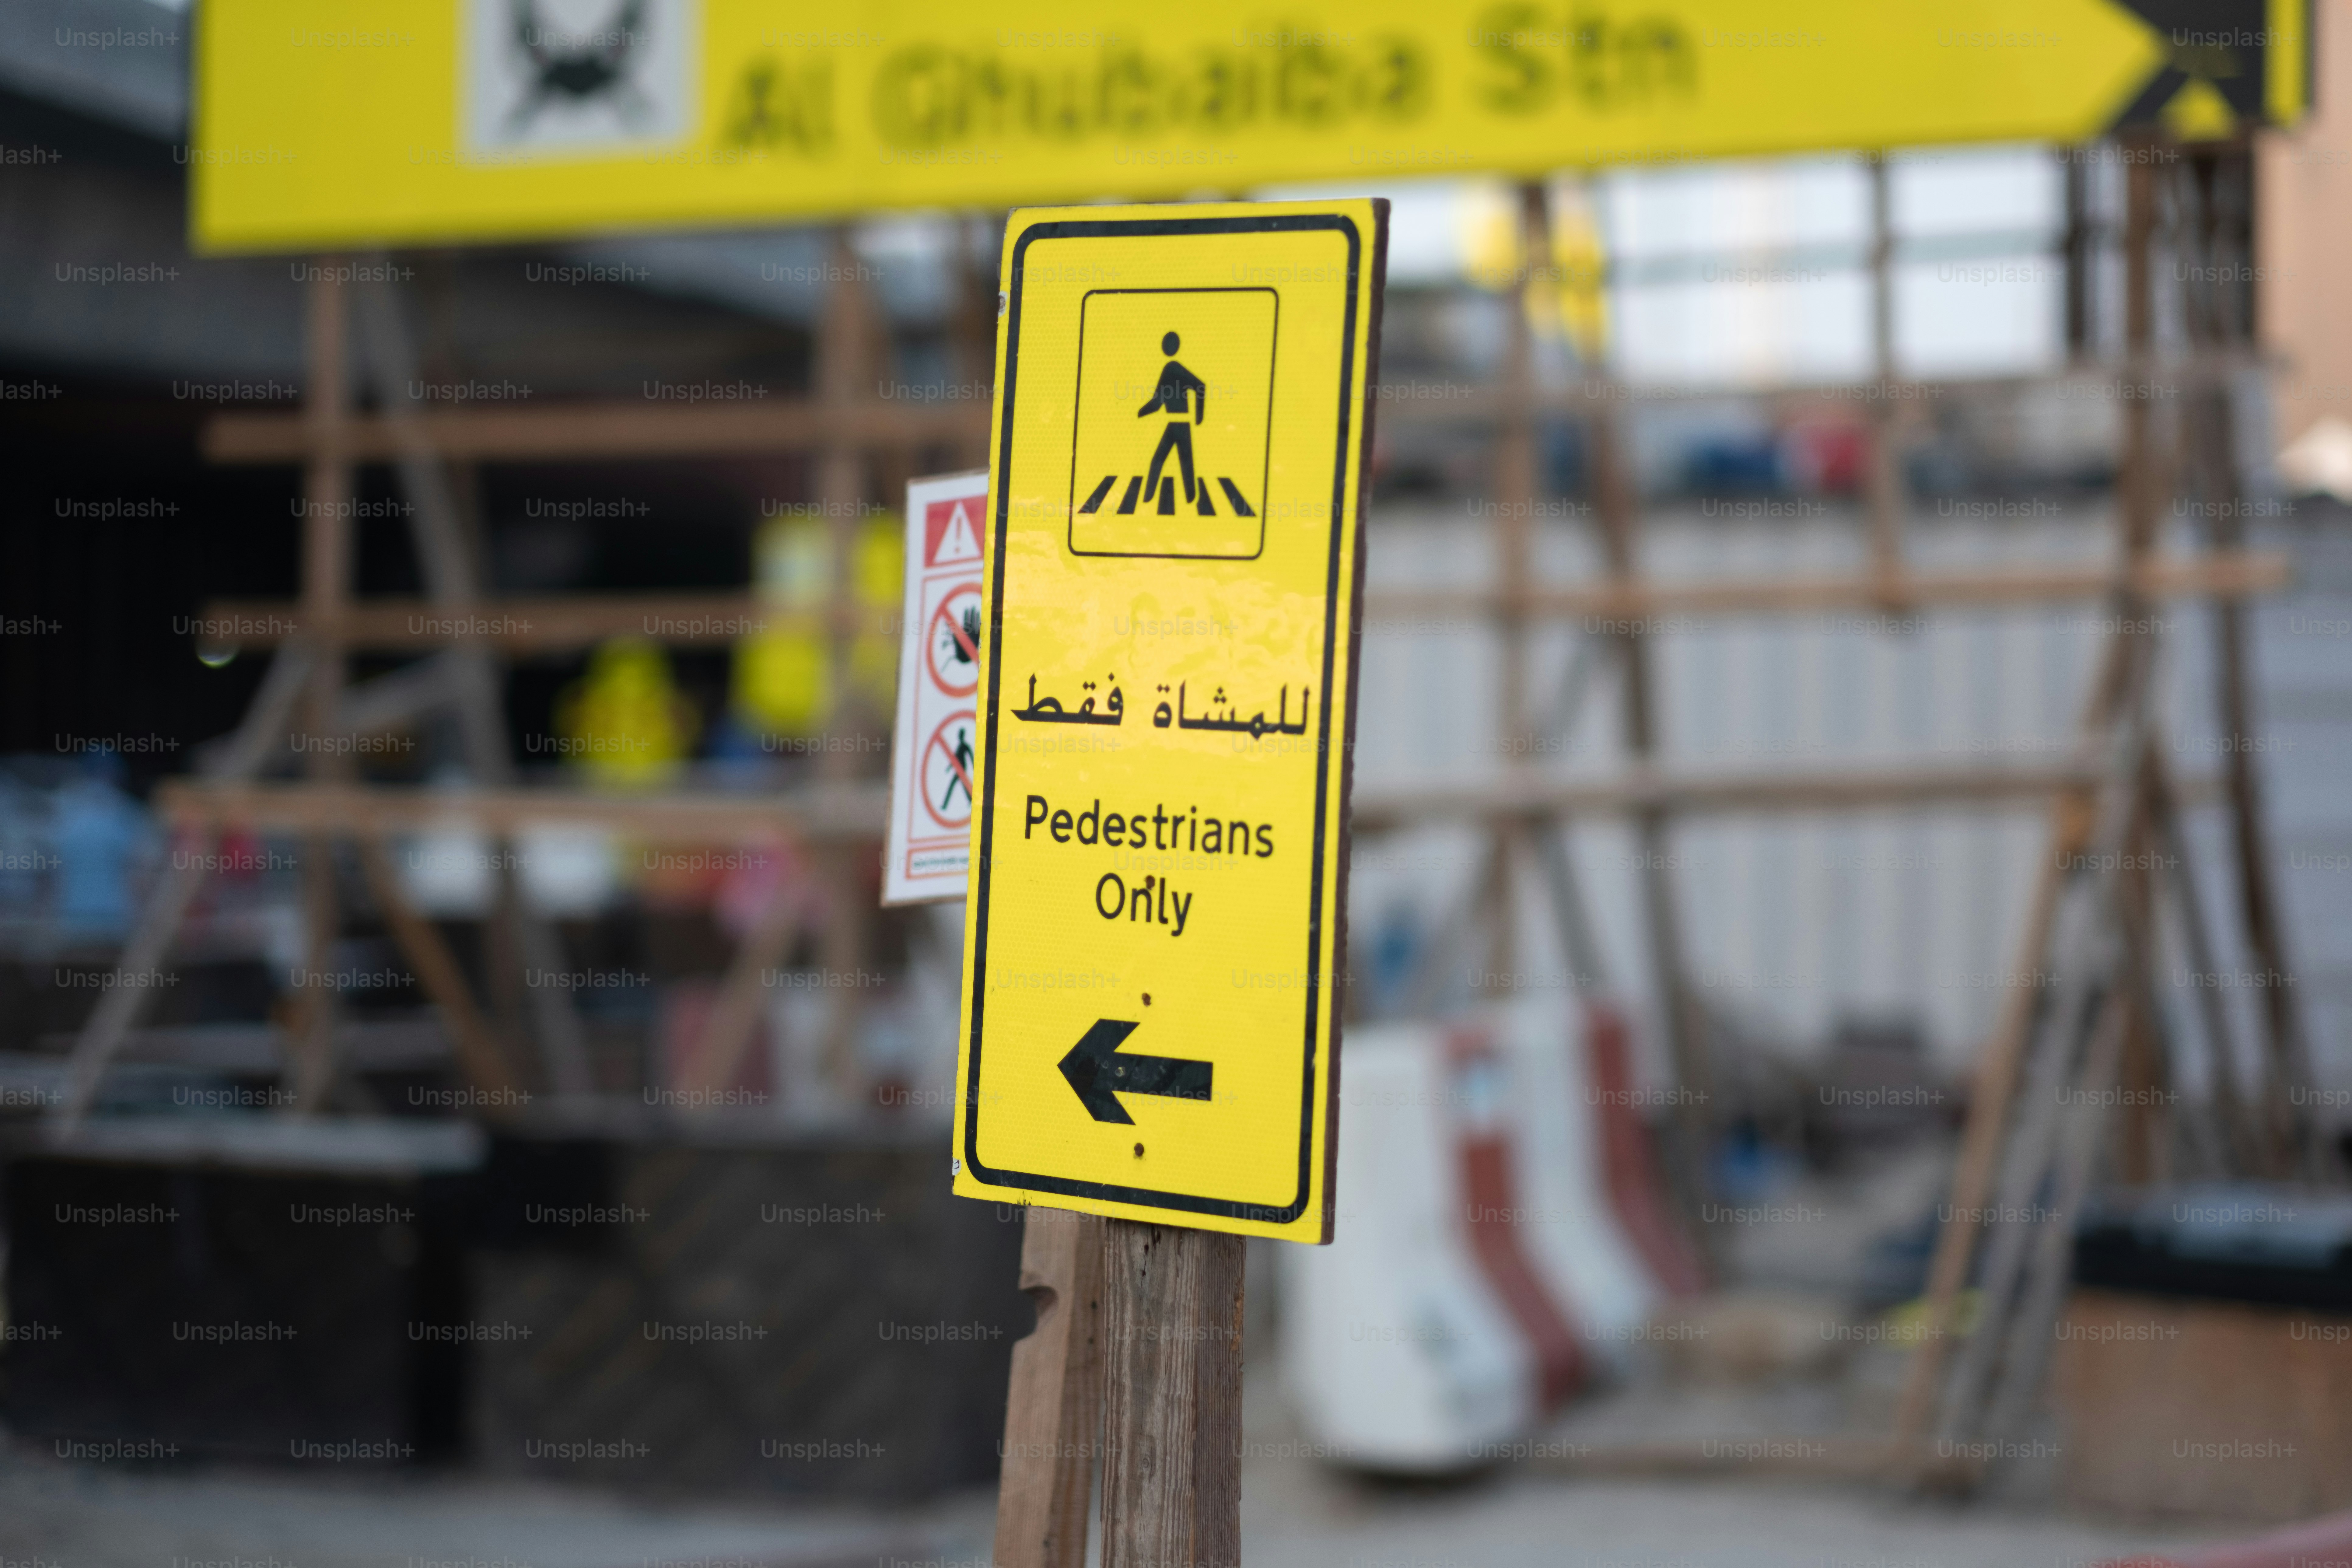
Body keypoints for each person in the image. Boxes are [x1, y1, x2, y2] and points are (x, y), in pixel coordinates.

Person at [1136, 331, 1207, 504]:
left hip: (1180, 425)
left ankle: (1187, 499)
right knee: (1179, 461)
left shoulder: (1173, 369)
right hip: (1176, 424)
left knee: (1179, 462)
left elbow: (1200, 387)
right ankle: (1186, 498)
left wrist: (1199, 417)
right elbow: (1158, 403)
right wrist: (1141, 412)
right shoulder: (1169, 369)